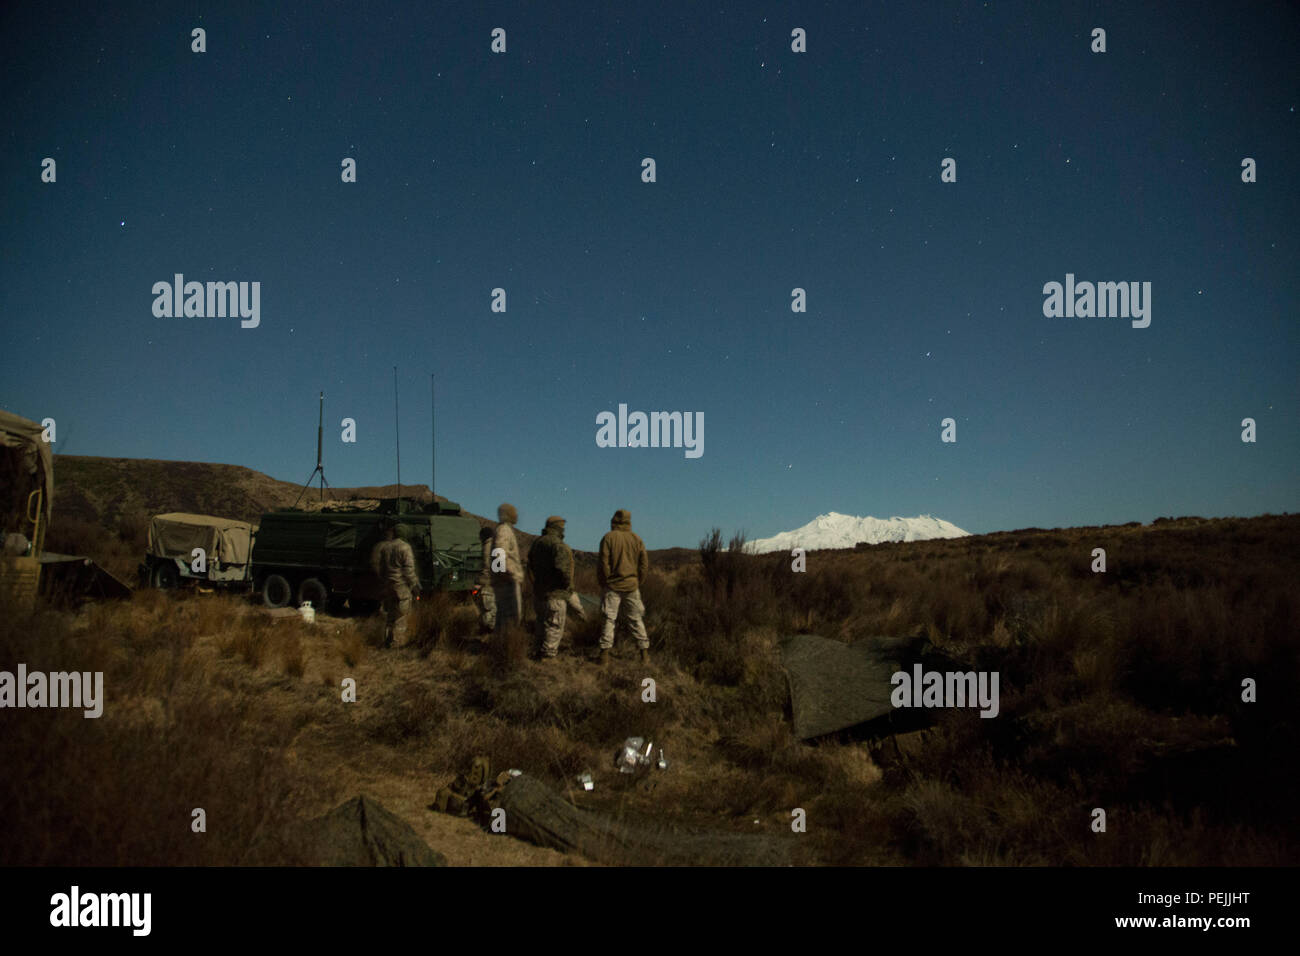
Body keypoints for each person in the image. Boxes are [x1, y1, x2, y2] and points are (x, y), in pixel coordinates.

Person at [597, 508, 650, 665]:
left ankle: (604, 655)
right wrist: (638, 581)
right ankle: (644, 655)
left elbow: (603, 563)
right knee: (636, 619)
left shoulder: (608, 538)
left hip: (612, 586)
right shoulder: (636, 539)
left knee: (609, 619)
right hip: (632, 586)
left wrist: (605, 581)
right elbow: (644, 564)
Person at [527, 516, 574, 660]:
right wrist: (566, 585)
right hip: (555, 594)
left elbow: (530, 566)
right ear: (558, 528)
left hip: (539, 593)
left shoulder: (537, 543)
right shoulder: (558, 545)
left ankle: (536, 653)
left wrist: (535, 583)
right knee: (554, 627)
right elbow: (562, 569)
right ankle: (548, 658)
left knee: (541, 625)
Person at [370, 516, 420, 648]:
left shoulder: (386, 547)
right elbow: (409, 571)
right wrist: (414, 585)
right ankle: (396, 644)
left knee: (390, 616)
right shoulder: (405, 548)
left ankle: (387, 640)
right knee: (401, 617)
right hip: (401, 587)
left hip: (388, 586)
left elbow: (381, 568)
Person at [490, 503, 524, 634]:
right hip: (507, 580)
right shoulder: (504, 530)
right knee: (511, 616)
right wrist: (503, 573)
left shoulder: (503, 529)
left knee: (503, 615)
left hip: (505, 579)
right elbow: (498, 550)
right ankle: (507, 644)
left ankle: (501, 642)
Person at [475, 526, 496, 632]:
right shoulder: (498, 546)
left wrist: (480, 581)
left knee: (487, 613)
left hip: (487, 585)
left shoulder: (487, 547)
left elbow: (486, 568)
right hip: (497, 584)